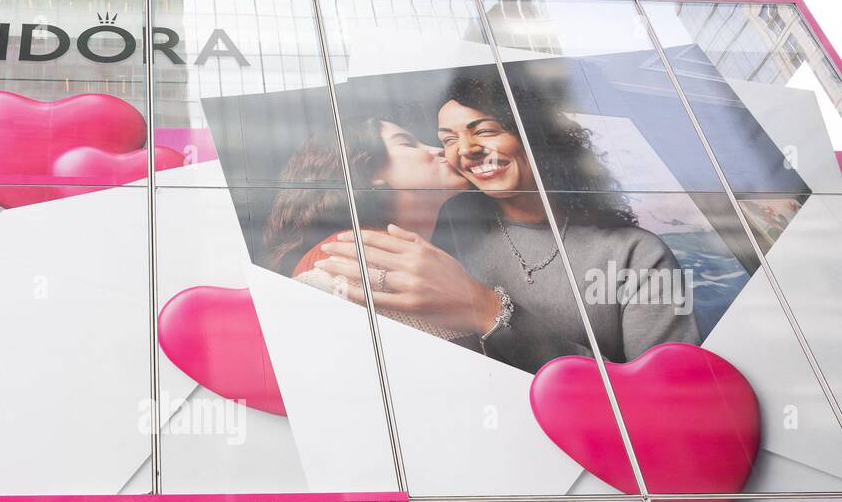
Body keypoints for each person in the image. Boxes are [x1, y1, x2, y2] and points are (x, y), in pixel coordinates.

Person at [313, 74, 700, 373]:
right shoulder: (442, 239)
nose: (464, 150)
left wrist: (488, 309)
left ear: (535, 136)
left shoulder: (637, 254)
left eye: (484, 130)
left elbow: (666, 397)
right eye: (448, 139)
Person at [262, 116, 471, 340]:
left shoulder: (389, 258)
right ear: (367, 172)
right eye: (407, 143)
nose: (439, 150)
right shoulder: (339, 266)